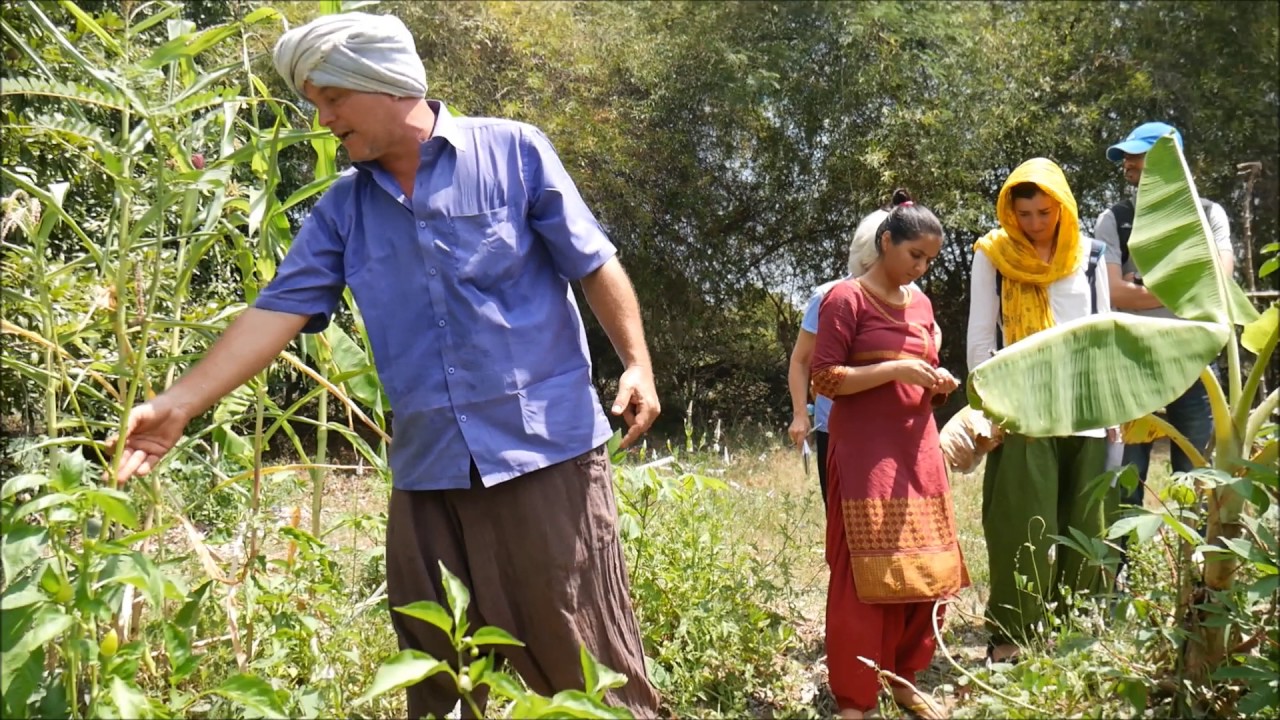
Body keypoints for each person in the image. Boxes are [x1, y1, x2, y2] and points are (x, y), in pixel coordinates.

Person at [109, 12, 661, 718]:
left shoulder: (514, 152)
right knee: (437, 673)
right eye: (314, 102)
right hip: (428, 468)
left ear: (388, 83)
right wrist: (180, 402)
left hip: (545, 452)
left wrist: (637, 364)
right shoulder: (345, 208)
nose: (323, 117)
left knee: (583, 659)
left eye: (332, 97)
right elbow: (276, 311)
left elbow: (594, 263)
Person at [812, 189, 967, 720]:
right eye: (914, 255)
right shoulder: (845, 299)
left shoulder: (921, 304)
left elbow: (924, 369)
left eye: (929, 260)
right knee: (865, 577)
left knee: (925, 570)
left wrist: (938, 380)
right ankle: (856, 699)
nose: (921, 268)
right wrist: (896, 369)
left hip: (917, 448)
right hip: (865, 455)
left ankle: (904, 681)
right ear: (885, 242)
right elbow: (826, 378)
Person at [966, 158, 1113, 664]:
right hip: (1022, 408)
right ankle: (1012, 636)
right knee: (1021, 523)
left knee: (1085, 524)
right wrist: (990, 409)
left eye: (1043, 212)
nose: (1033, 224)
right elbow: (982, 339)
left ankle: (1077, 636)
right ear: (1009, 210)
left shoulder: (1092, 255)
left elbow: (1104, 333)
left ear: (1063, 207)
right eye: (1023, 212)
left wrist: (1113, 406)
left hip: (1086, 407)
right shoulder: (993, 254)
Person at [1095, 122, 1233, 510]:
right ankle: (1119, 565)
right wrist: (1180, 287)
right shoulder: (1115, 220)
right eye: (1126, 160)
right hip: (1131, 359)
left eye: (1138, 157)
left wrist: (1141, 284)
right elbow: (1113, 291)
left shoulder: (1209, 215)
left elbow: (1217, 285)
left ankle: (1197, 566)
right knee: (1126, 473)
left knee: (1197, 474)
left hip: (1195, 362)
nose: (1128, 166)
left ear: (1170, 163)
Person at [787, 207, 890, 507]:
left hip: (888, 428)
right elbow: (800, 360)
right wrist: (799, 415)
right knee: (842, 520)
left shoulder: (909, 295)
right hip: (836, 430)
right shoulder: (828, 296)